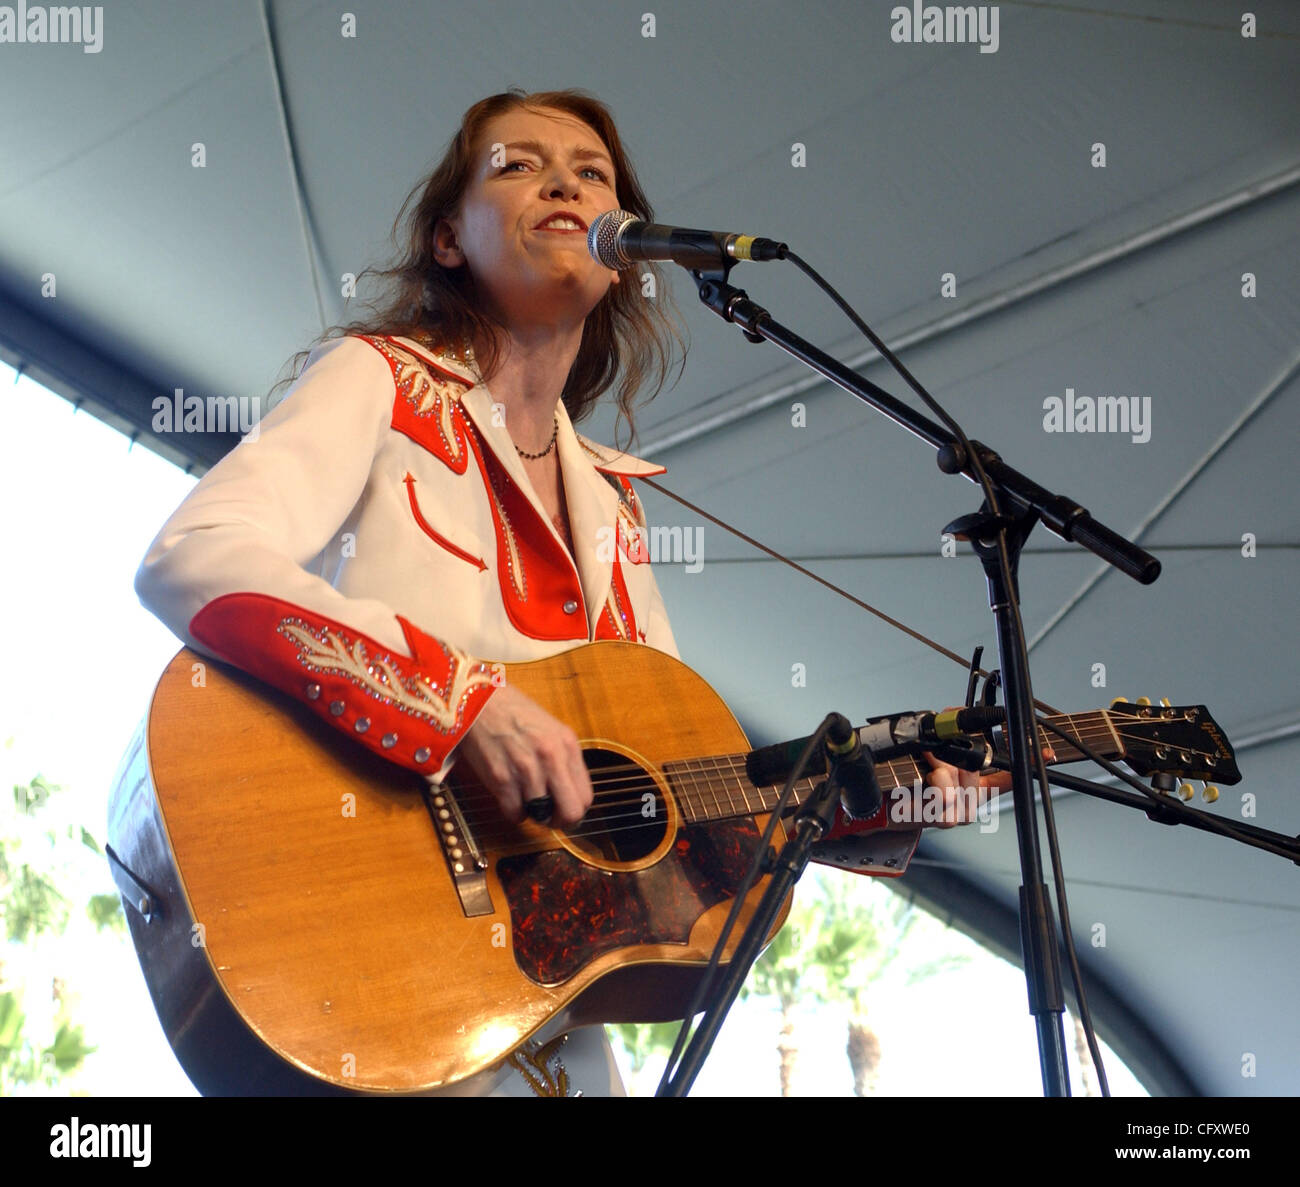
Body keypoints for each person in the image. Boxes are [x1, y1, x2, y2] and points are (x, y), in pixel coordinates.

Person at [135, 87, 1002, 1098]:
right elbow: (198, 555)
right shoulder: (381, 380)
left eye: (591, 172)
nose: (564, 181)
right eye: (515, 164)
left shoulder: (615, 500)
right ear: (447, 240)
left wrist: (873, 799)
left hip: (545, 1010)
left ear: (621, 249)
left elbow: (677, 791)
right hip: (374, 949)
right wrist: (459, 707)